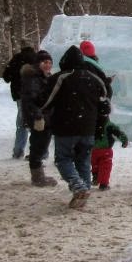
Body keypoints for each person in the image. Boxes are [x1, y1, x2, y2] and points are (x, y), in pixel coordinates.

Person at [43, 45, 109, 209]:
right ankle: (83, 190)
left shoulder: (61, 77)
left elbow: (46, 101)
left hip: (65, 126)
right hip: (88, 127)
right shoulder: (94, 78)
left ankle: (78, 187)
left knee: (63, 159)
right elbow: (104, 103)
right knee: (83, 160)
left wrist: (40, 112)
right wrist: (99, 124)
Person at [19, 50, 57, 187]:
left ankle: (38, 175)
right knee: (38, 145)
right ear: (38, 63)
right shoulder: (33, 78)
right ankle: (37, 177)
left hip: (44, 116)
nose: (48, 65)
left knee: (41, 145)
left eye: (50, 63)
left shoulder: (43, 76)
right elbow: (30, 100)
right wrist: (38, 116)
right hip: (38, 117)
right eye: (45, 62)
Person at [2, 44, 35, 158]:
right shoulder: (36, 58)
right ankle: (38, 151)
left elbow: (6, 77)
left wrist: (15, 77)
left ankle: (18, 150)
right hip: (34, 93)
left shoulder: (16, 58)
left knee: (22, 121)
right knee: (35, 120)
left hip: (20, 93)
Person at [91, 117, 129, 190]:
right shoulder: (109, 124)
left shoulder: (91, 123)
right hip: (106, 150)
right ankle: (103, 184)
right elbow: (118, 133)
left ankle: (95, 177)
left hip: (94, 149)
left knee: (95, 164)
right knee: (105, 166)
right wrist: (124, 140)